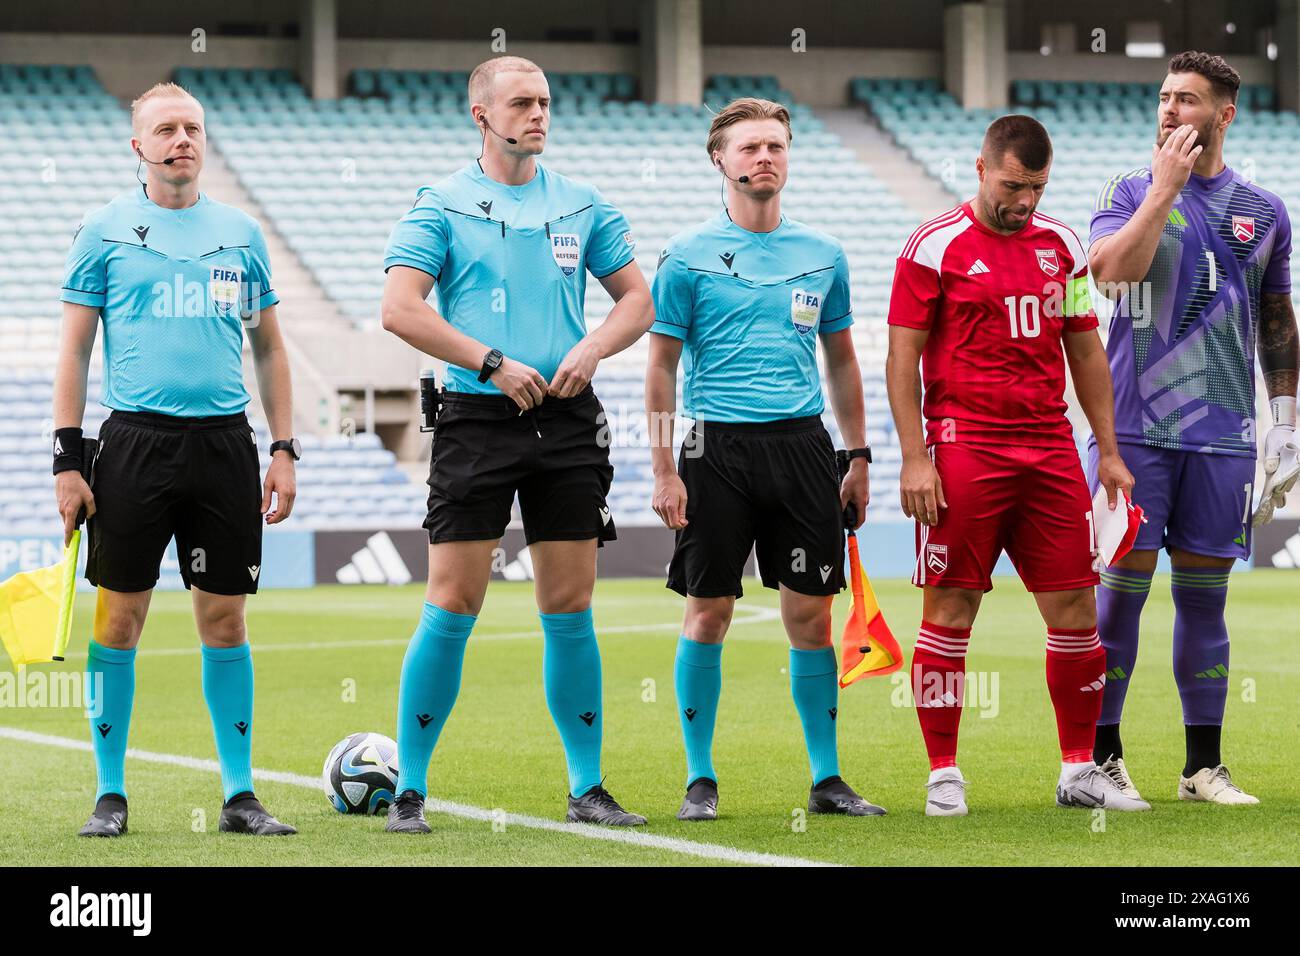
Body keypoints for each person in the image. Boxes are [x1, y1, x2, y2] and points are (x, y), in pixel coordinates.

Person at [380, 56, 654, 832]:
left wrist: (594, 346)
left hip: (569, 421)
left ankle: (587, 788)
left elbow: (638, 298)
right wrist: (491, 363)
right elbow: (400, 309)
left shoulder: (582, 203)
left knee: (569, 607)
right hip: (475, 418)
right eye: (523, 102)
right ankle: (411, 790)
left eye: (546, 102)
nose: (539, 114)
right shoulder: (440, 203)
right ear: (481, 114)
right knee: (452, 602)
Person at [887, 114, 1149, 816]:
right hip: (964, 444)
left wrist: (1111, 453)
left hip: (1050, 448)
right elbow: (902, 356)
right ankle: (943, 770)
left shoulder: (1062, 246)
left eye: (1036, 186)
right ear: (980, 168)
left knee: (1074, 608)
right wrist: (915, 457)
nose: (1025, 200)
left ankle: (1078, 769)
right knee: (951, 606)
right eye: (1012, 185)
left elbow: (1085, 351)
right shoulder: (933, 246)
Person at [55, 82, 298, 837]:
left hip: (225, 444)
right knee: (119, 618)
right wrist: (68, 458)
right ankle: (109, 794)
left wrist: (284, 447)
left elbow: (269, 348)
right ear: (139, 146)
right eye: (165, 128)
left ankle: (238, 795)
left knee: (224, 621)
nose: (181, 139)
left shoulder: (241, 233)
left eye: (192, 126)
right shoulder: (103, 231)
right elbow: (74, 348)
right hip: (132, 444)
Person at [647, 97, 883, 822]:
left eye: (776, 146)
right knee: (708, 610)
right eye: (749, 148)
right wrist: (663, 468)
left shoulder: (823, 253)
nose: (764, 158)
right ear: (719, 159)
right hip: (712, 445)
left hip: (804, 445)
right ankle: (700, 778)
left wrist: (859, 456)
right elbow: (659, 368)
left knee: (810, 618)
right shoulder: (684, 257)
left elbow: (842, 361)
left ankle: (826, 777)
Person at [1088, 51, 1297, 805]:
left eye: (1188, 99)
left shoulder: (1267, 210)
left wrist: (1287, 421)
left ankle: (1201, 767)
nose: (1171, 110)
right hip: (1133, 431)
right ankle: (1101, 758)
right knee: (1120, 596)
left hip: (1223, 436)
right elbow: (1111, 274)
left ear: (1225, 114)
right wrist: (1165, 193)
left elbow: (1276, 317)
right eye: (1165, 97)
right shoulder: (1128, 190)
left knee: (1206, 599)